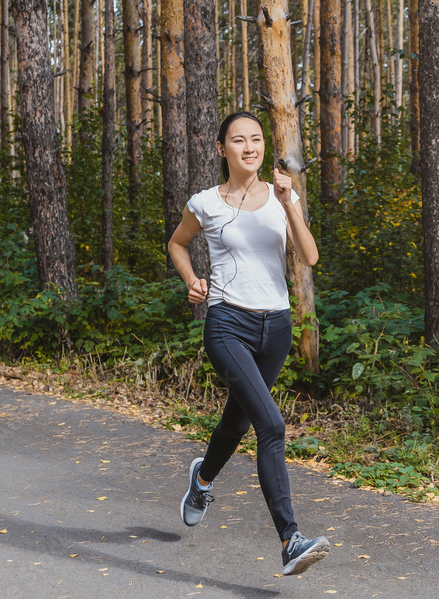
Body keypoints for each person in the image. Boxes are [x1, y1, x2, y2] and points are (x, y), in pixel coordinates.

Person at [167, 111, 328, 576]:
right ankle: (290, 539)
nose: (249, 147)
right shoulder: (205, 203)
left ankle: (202, 478)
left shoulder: (283, 197)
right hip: (226, 324)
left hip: (276, 327)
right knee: (271, 425)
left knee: (237, 422)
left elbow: (310, 256)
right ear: (223, 149)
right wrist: (191, 280)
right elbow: (177, 244)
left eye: (256, 139)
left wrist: (289, 202)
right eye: (239, 140)